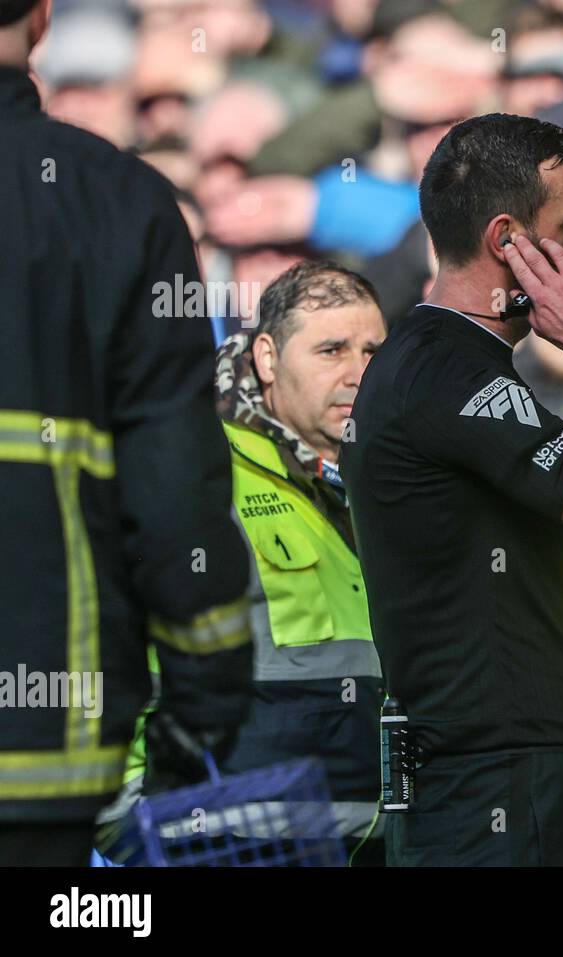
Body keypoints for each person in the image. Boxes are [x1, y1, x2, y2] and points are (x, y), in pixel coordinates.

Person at [342, 113, 563, 867]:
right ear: (506, 239)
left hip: (506, 775)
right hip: (498, 783)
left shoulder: (455, 365)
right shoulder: (441, 371)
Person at [0, 0, 252, 866]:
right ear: (41, 19)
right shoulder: (120, 199)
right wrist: (204, 701)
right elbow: (175, 482)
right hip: (39, 752)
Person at [213, 261, 387, 858]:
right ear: (267, 357)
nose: (358, 373)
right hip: (240, 843)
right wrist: (130, 809)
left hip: (382, 838)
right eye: (332, 350)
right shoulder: (201, 473)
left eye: (372, 351)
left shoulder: (400, 480)